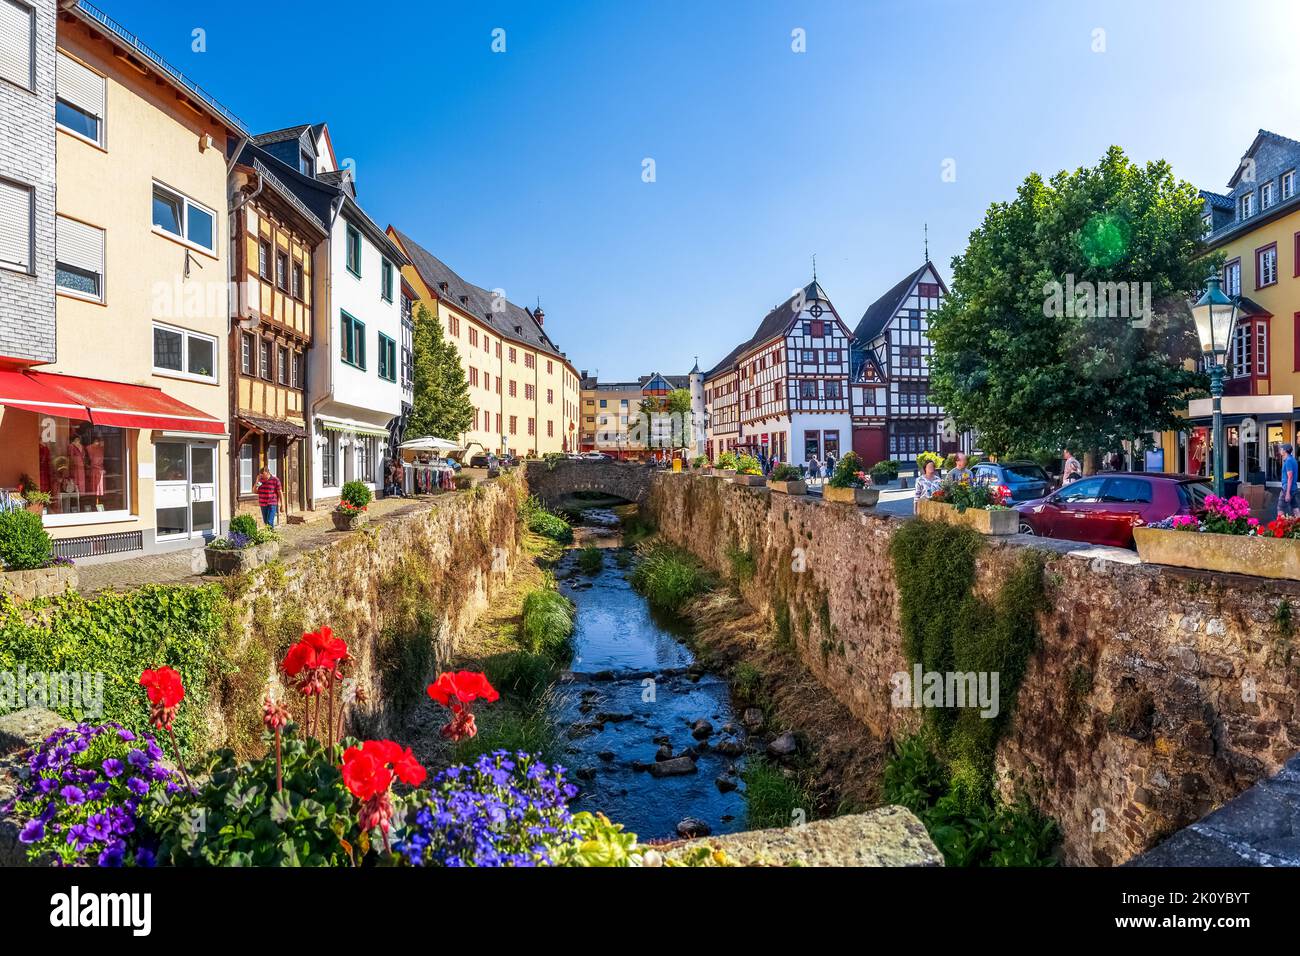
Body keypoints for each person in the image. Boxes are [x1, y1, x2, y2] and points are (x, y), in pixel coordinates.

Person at [253, 465, 283, 529]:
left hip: (272, 503)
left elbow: (280, 493)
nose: (262, 476)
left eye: (263, 474)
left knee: (269, 522)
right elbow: (254, 491)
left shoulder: (275, 480)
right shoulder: (260, 481)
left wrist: (282, 505)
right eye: (261, 475)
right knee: (266, 522)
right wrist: (257, 480)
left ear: (268, 472)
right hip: (263, 504)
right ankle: (270, 536)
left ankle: (270, 536)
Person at [1280, 444, 1299, 519]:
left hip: (1287, 488)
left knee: (1280, 508)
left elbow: (1290, 477)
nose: (1280, 451)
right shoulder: (1292, 459)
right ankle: (1298, 526)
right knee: (1295, 507)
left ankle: (1279, 527)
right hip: (1293, 488)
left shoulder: (1288, 461)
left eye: (1281, 449)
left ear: (1285, 451)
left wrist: (1287, 493)